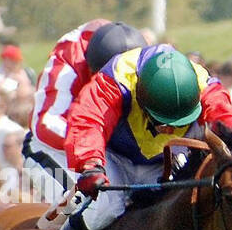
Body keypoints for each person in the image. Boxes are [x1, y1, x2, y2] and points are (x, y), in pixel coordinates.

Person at [11, 45, 232, 230]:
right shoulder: (115, 79)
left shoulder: (204, 84)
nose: (168, 128)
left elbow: (227, 118)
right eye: (163, 122)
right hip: (116, 156)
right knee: (103, 210)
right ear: (142, 98)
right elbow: (88, 122)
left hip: (166, 158)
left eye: (176, 121)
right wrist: (90, 167)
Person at [25, 20, 145, 201]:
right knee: (101, 206)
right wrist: (94, 146)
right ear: (91, 67)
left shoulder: (147, 57)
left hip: (109, 144)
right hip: (51, 147)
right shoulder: (68, 61)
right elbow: (46, 123)